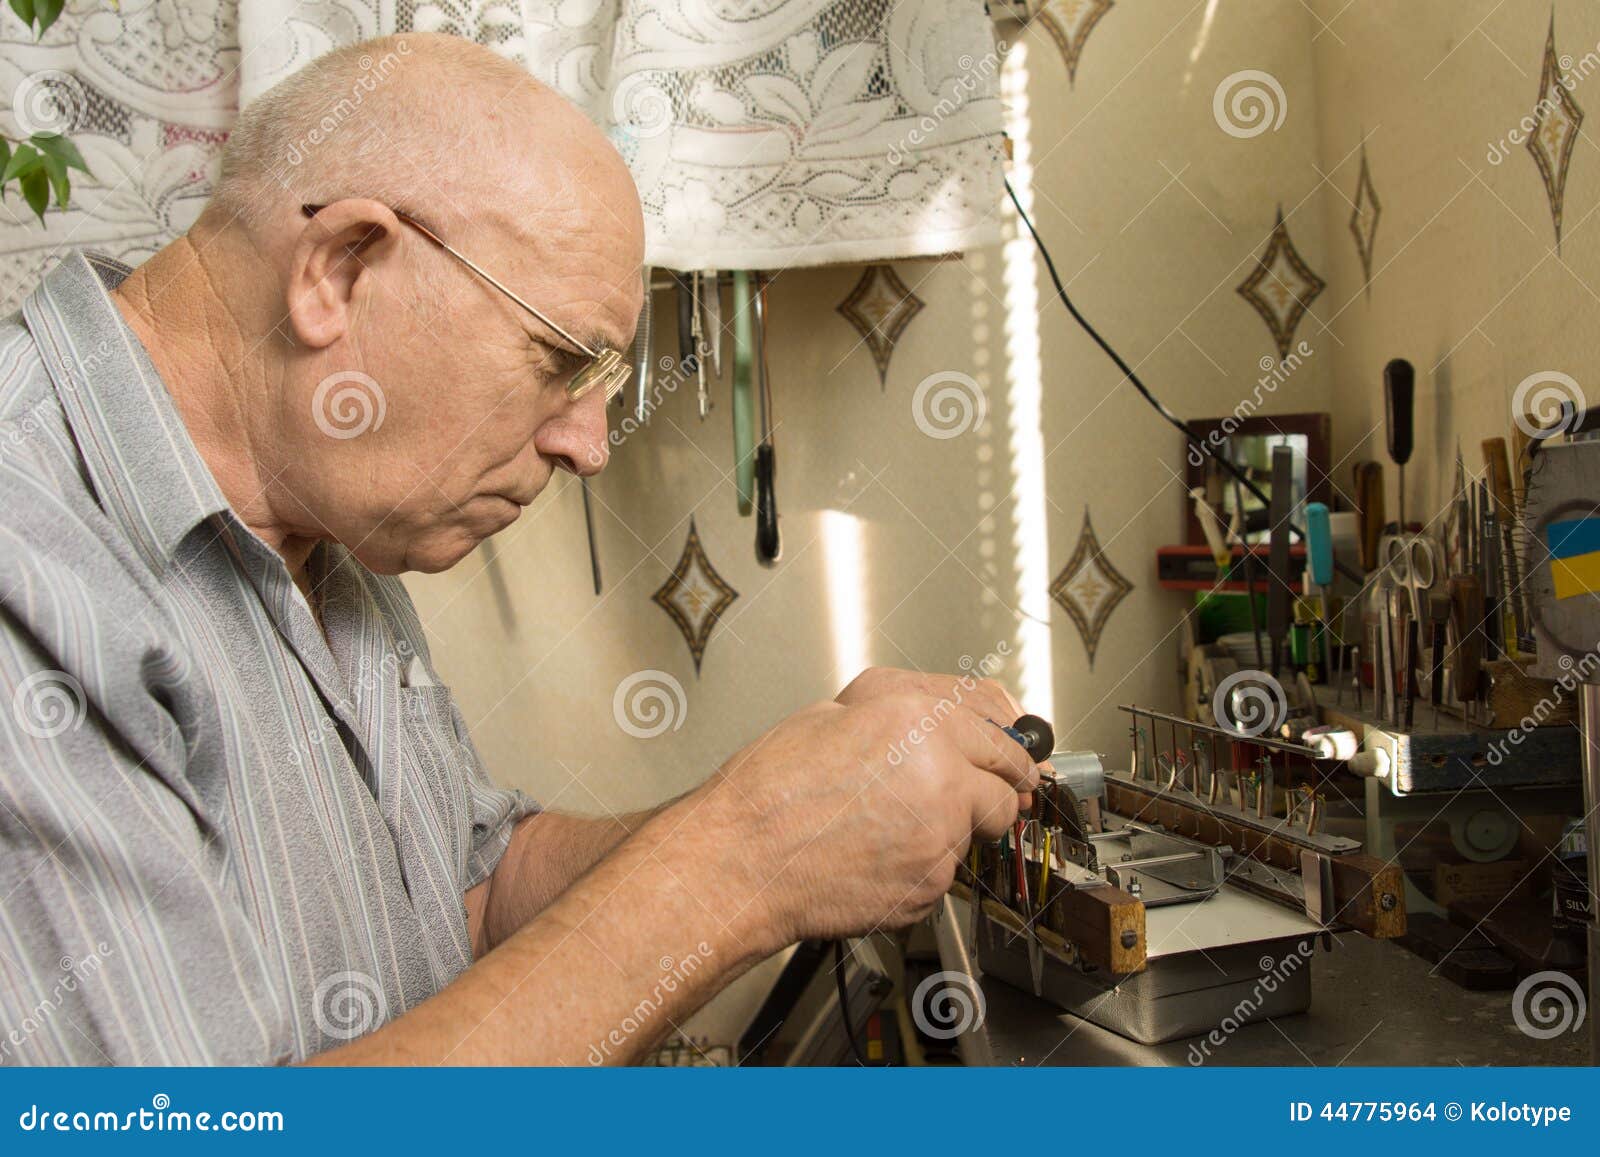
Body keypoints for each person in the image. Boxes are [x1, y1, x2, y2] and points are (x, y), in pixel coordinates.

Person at [0, 34, 1037, 1065]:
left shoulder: (325, 502)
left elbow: (477, 898)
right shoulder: (32, 551)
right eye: (560, 359)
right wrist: (748, 855)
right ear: (339, 268)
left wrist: (809, 797)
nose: (588, 444)